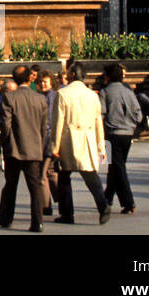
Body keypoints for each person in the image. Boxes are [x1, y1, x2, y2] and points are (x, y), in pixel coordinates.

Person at [51, 62, 109, 225]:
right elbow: (99, 121)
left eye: (68, 72)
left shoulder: (62, 94)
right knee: (90, 175)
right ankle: (103, 205)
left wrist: (54, 147)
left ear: (73, 75)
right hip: (88, 139)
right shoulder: (92, 95)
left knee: (63, 178)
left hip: (69, 140)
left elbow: (57, 123)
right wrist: (101, 145)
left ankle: (67, 214)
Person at [0, 66, 48, 232]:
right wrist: (40, 144)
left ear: (14, 79)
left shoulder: (9, 97)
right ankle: (37, 222)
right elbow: (44, 127)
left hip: (14, 149)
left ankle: (6, 217)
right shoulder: (40, 99)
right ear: (30, 78)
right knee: (35, 187)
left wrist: (5, 143)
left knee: (11, 185)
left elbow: (6, 125)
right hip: (34, 148)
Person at [100, 63, 142, 216]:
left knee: (118, 168)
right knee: (115, 166)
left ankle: (128, 201)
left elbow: (101, 113)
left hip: (112, 133)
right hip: (128, 133)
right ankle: (107, 197)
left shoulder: (105, 92)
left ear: (108, 76)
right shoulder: (129, 91)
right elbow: (139, 113)